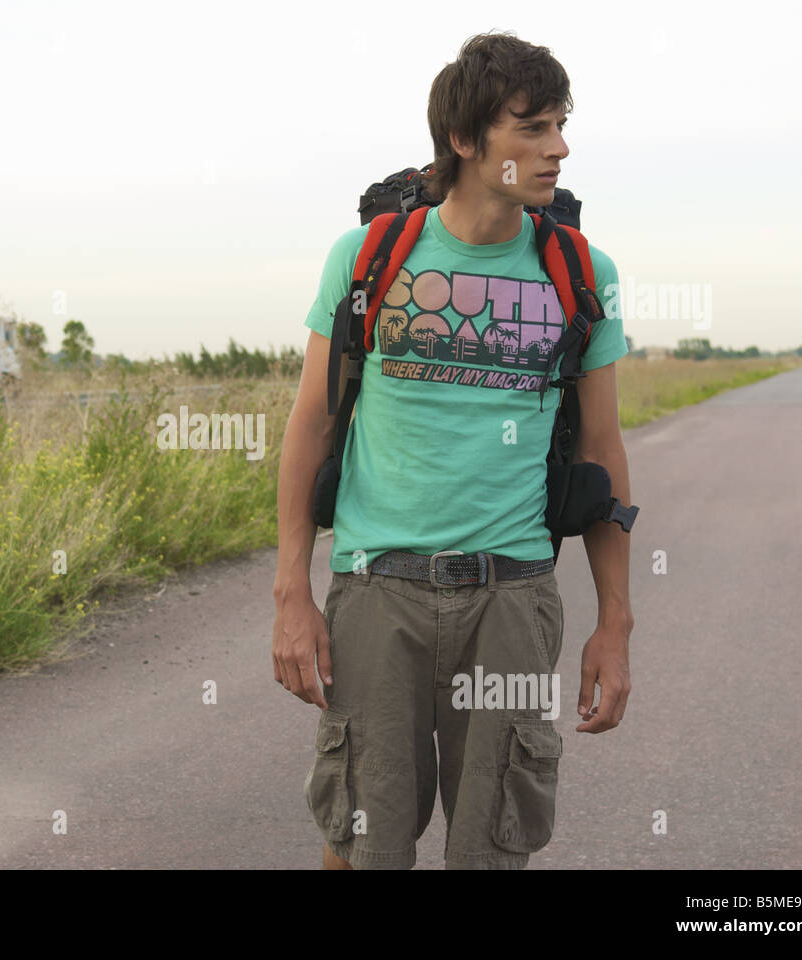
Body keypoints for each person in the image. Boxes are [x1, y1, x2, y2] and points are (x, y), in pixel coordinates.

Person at [272, 32, 634, 870]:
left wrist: (615, 624)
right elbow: (311, 427)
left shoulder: (583, 271)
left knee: (493, 849)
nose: (559, 147)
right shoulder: (367, 257)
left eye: (561, 124)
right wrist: (292, 589)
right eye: (533, 128)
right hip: (376, 591)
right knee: (362, 840)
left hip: (512, 599)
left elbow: (605, 451)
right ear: (467, 141)